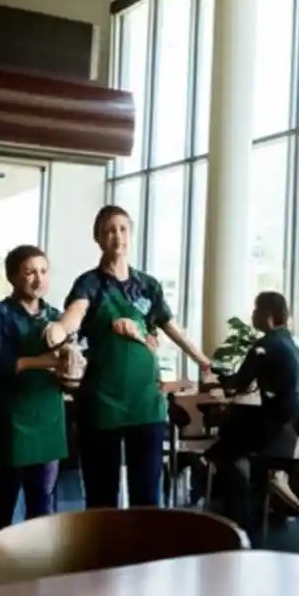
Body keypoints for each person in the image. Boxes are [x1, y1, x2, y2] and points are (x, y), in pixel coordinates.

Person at [42, 205, 212, 508]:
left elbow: (171, 328)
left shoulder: (148, 285)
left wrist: (201, 359)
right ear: (98, 238)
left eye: (122, 228)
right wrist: (57, 333)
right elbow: (73, 317)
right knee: (101, 494)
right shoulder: (90, 283)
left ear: (130, 234)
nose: (116, 236)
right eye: (108, 229)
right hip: (101, 401)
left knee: (147, 495)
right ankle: (103, 554)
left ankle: (144, 553)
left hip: (146, 402)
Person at [0, 245, 67, 542]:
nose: (38, 279)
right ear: (13, 277)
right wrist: (41, 362)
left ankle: (39, 564)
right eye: (29, 272)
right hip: (8, 420)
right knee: (3, 499)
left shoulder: (56, 318)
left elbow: (73, 356)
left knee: (43, 499)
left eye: (43, 271)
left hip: (47, 418)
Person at [206, 291, 299, 542]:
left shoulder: (264, 346)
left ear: (268, 316)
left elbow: (238, 384)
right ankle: (271, 482)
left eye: (256, 309)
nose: (252, 315)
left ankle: (238, 520)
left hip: (270, 429)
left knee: (222, 452)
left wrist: (216, 376)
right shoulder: (293, 346)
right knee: (230, 444)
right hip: (290, 429)